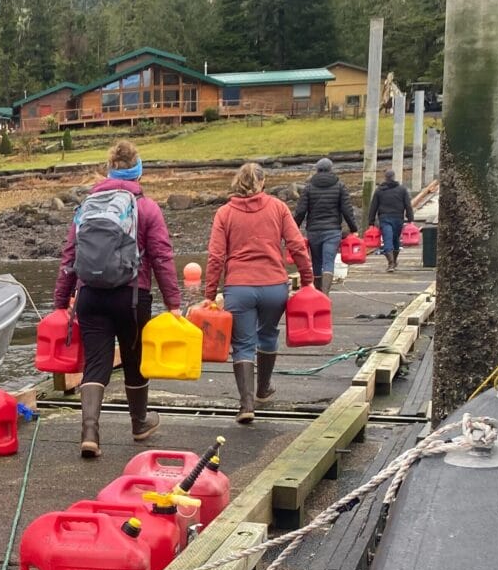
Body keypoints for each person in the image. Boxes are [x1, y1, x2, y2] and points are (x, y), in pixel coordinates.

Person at [53, 140, 182, 457]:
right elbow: (162, 257)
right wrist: (173, 303)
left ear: (109, 171)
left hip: (90, 296)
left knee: (96, 363)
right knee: (134, 361)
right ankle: (139, 423)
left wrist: (61, 299)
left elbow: (69, 256)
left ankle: (90, 432)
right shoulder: (146, 207)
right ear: (138, 172)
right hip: (132, 297)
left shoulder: (86, 207)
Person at [205, 162, 314, 424]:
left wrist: (209, 294)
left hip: (239, 288)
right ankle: (263, 388)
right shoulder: (278, 207)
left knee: (242, 344)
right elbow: (297, 244)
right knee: (268, 334)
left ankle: (246, 404)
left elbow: (216, 257)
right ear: (262, 183)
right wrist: (308, 280)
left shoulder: (224, 213)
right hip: (274, 286)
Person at [293, 157, 359, 295]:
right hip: (333, 231)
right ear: (331, 169)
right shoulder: (339, 186)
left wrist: (294, 227)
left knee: (316, 262)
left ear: (317, 170)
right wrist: (354, 229)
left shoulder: (308, 187)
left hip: (314, 231)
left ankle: (318, 294)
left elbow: (300, 211)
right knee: (328, 262)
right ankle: (325, 294)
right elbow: (347, 209)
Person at [367, 168, 415, 272]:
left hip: (384, 218)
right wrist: (410, 219)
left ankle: (391, 262)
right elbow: (408, 205)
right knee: (395, 240)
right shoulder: (402, 190)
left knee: (387, 240)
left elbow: (373, 207)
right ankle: (393, 261)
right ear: (393, 177)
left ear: (385, 178)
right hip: (398, 218)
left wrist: (371, 222)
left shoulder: (379, 190)